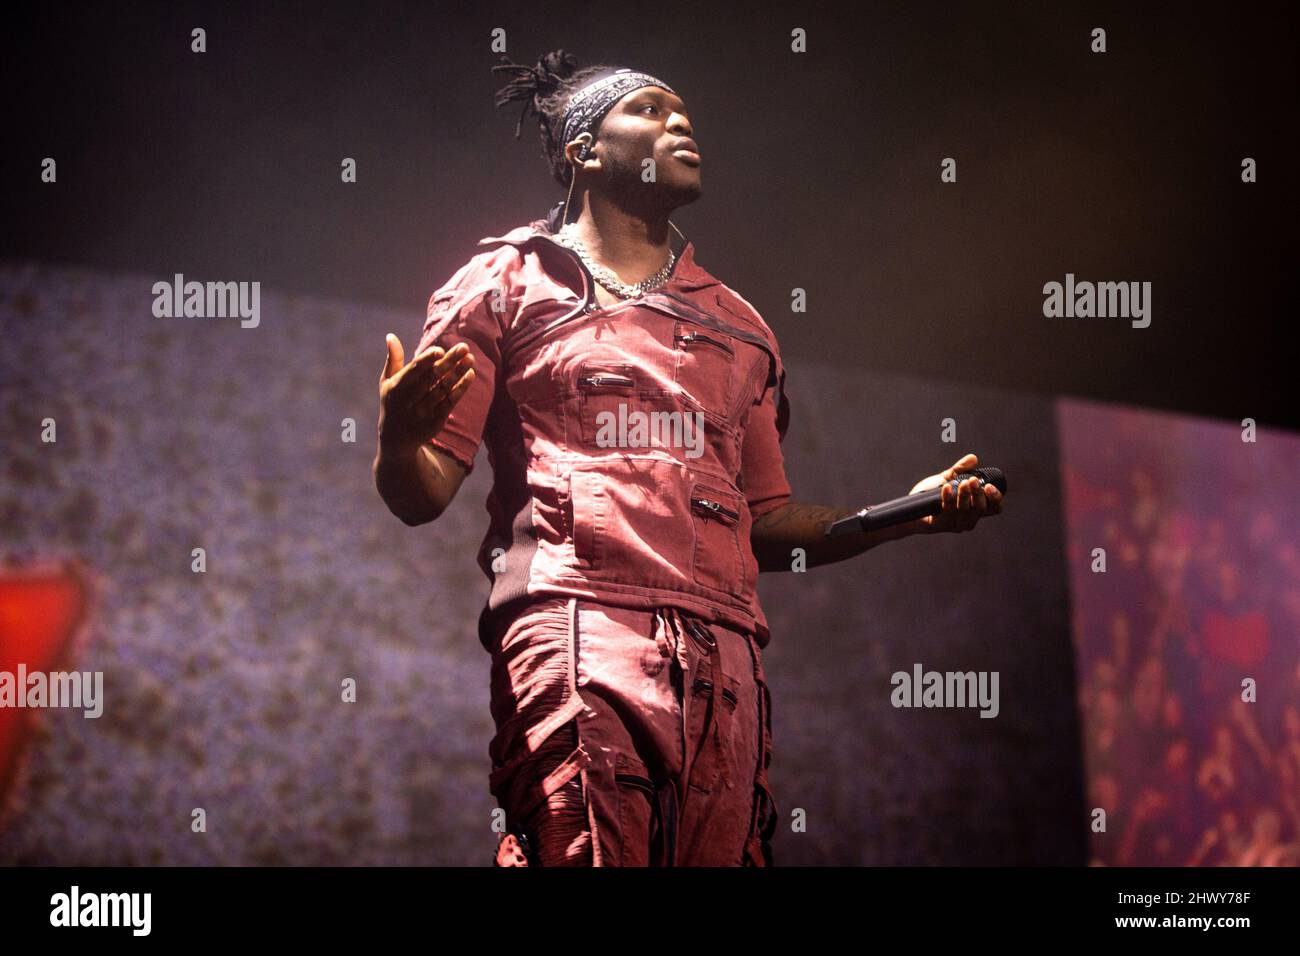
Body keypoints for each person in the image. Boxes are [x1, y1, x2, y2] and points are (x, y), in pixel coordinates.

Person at [372, 50, 1004, 866]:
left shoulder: (739, 325)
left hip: (726, 654)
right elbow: (421, 496)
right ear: (583, 151)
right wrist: (398, 438)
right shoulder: (506, 282)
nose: (680, 123)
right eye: (649, 110)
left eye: (685, 114)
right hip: (578, 623)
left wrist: (903, 515)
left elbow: (766, 523)